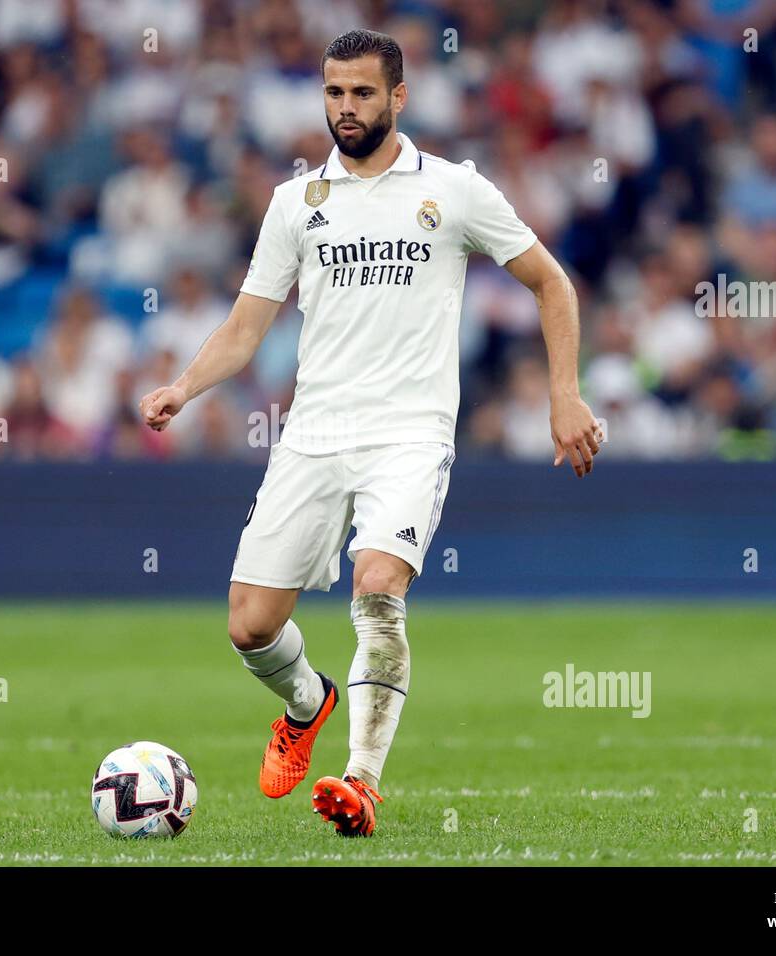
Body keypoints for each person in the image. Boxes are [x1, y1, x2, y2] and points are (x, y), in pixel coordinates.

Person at [138, 29, 601, 837]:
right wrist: (184, 385)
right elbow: (248, 327)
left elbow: (550, 284)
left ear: (398, 98)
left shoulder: (454, 190)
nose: (345, 108)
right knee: (249, 623)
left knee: (378, 589)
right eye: (333, 93)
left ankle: (360, 783)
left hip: (410, 433)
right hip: (314, 430)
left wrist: (565, 394)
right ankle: (306, 703)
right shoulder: (296, 203)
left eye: (361, 93)